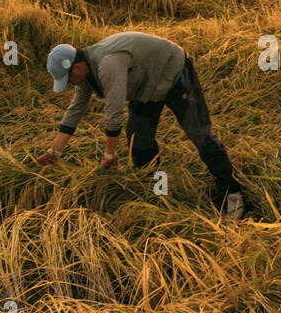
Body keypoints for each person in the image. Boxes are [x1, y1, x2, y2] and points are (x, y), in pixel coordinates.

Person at [35, 31, 249, 217]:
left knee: (200, 135)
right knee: (138, 141)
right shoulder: (85, 75)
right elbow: (75, 111)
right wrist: (54, 152)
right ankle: (155, 189)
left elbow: (114, 111)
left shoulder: (107, 64)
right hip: (146, 86)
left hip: (174, 72)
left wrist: (110, 154)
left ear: (77, 66)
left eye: (68, 78)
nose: (71, 83)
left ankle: (232, 193)